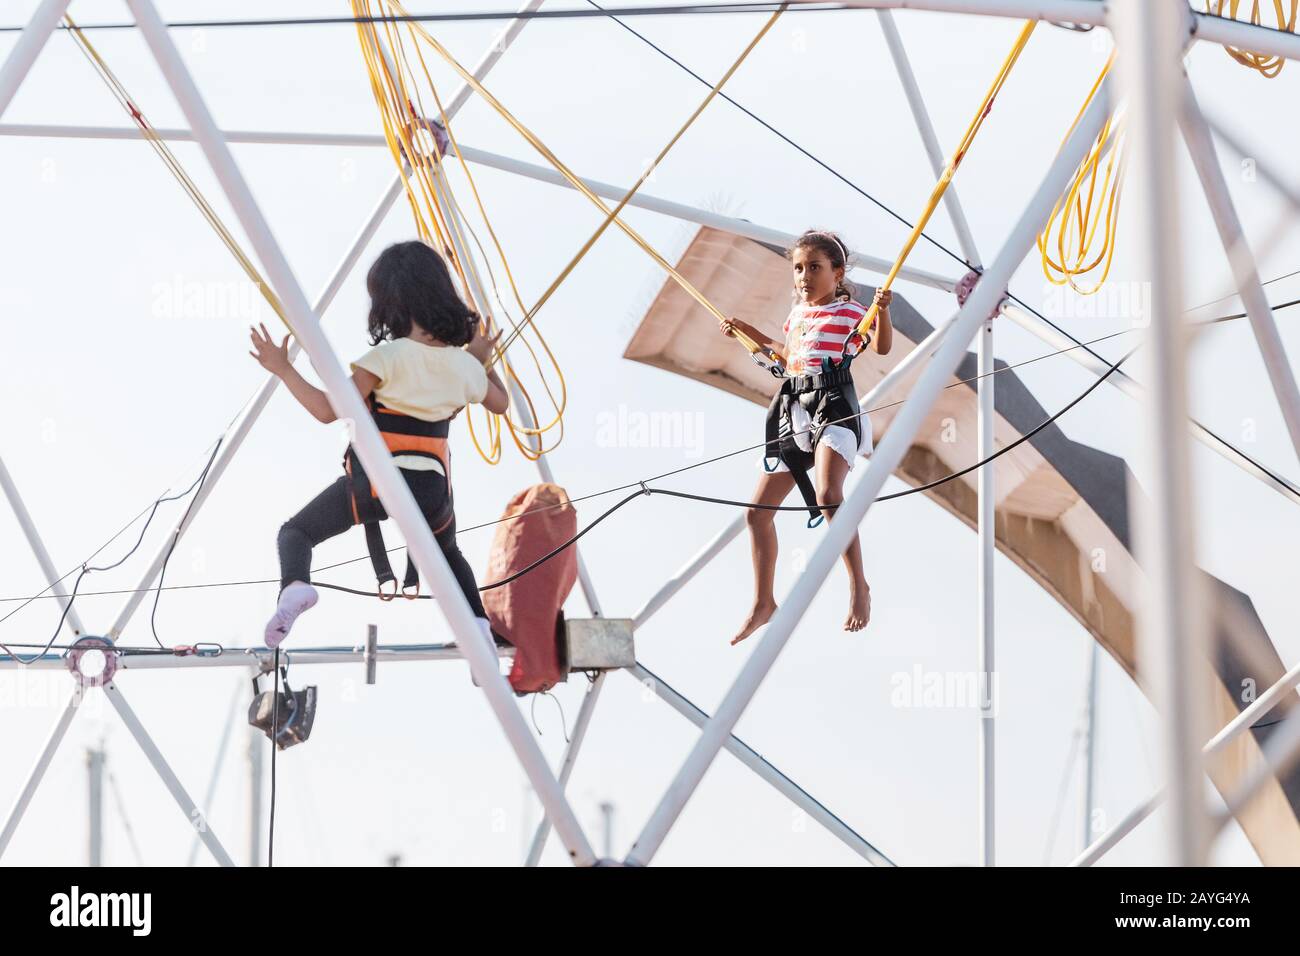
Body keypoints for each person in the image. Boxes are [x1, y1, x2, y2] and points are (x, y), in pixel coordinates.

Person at [250, 240, 508, 648]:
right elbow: (501, 403)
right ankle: (476, 625)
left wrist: (283, 369)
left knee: (296, 533)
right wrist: (480, 360)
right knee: (450, 554)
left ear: (390, 306)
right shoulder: (464, 368)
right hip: (431, 494)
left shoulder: (386, 358)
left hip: (375, 485)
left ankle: (296, 585)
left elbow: (326, 409)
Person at [719, 230, 893, 645]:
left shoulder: (850, 312)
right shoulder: (797, 315)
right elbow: (790, 354)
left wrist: (882, 312)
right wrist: (751, 334)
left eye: (814, 268)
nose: (804, 276)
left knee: (828, 494)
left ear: (837, 273)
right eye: (798, 268)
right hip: (796, 413)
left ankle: (858, 585)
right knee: (757, 513)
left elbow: (881, 347)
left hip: (834, 410)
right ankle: (764, 602)